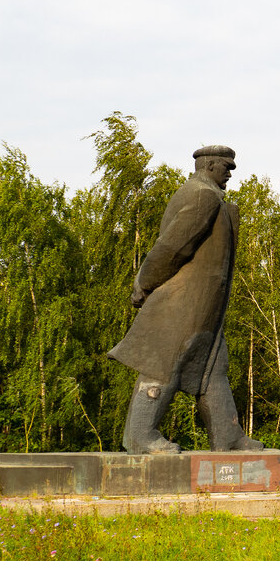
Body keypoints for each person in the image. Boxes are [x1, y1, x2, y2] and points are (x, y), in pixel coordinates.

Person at [109, 144, 261, 454]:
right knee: (164, 364)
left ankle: (227, 436)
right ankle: (139, 436)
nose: (230, 172)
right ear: (208, 166)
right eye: (225, 166)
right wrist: (145, 283)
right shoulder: (201, 196)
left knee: (212, 370)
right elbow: (173, 247)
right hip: (183, 304)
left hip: (204, 309)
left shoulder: (210, 196)